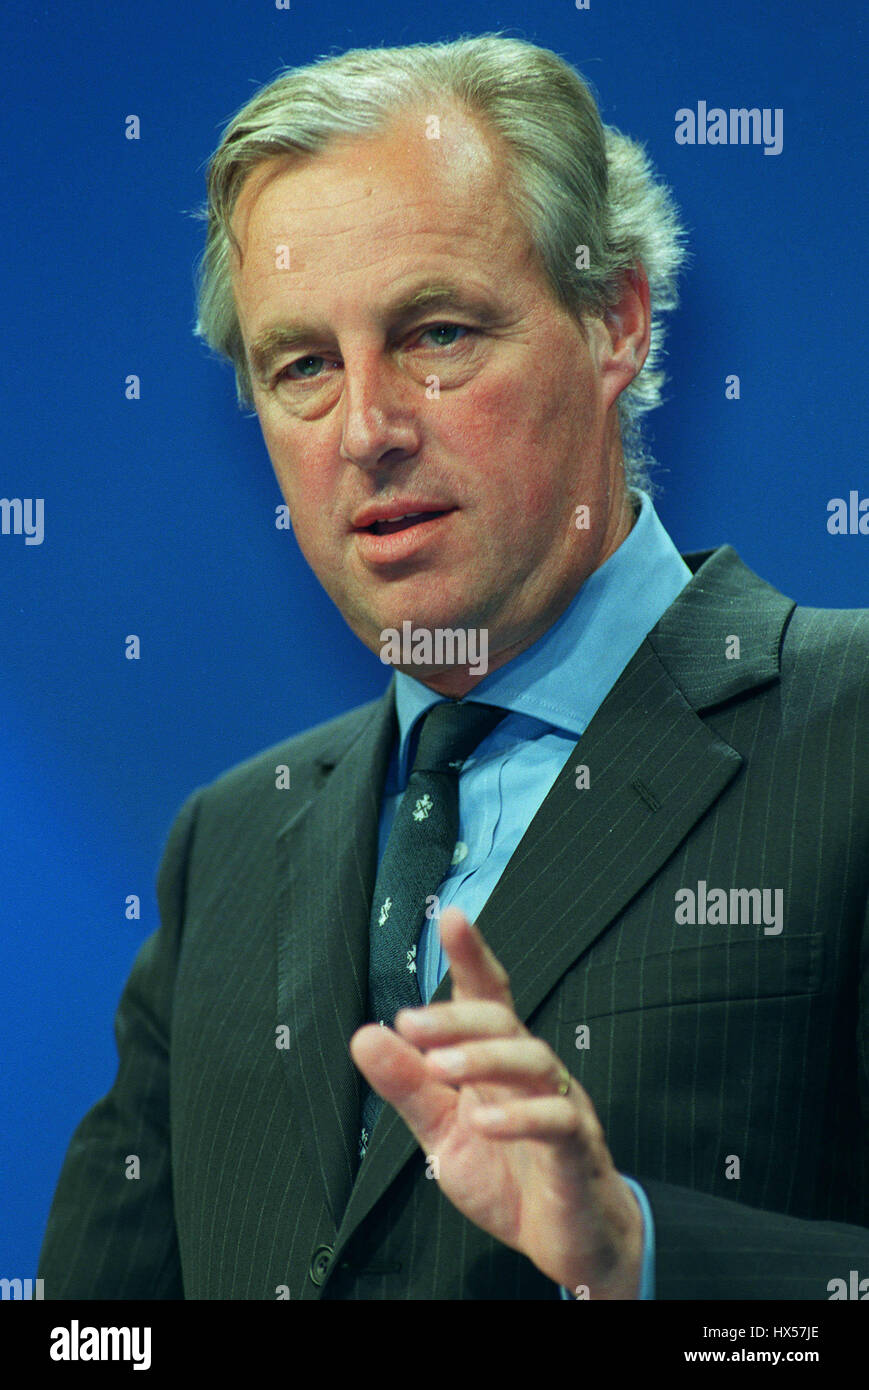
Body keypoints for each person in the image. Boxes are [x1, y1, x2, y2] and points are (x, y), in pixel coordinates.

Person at [39, 34, 869, 1301]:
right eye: (302, 364)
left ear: (615, 323)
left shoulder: (847, 725)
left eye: (434, 332)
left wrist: (644, 1258)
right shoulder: (226, 847)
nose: (366, 430)